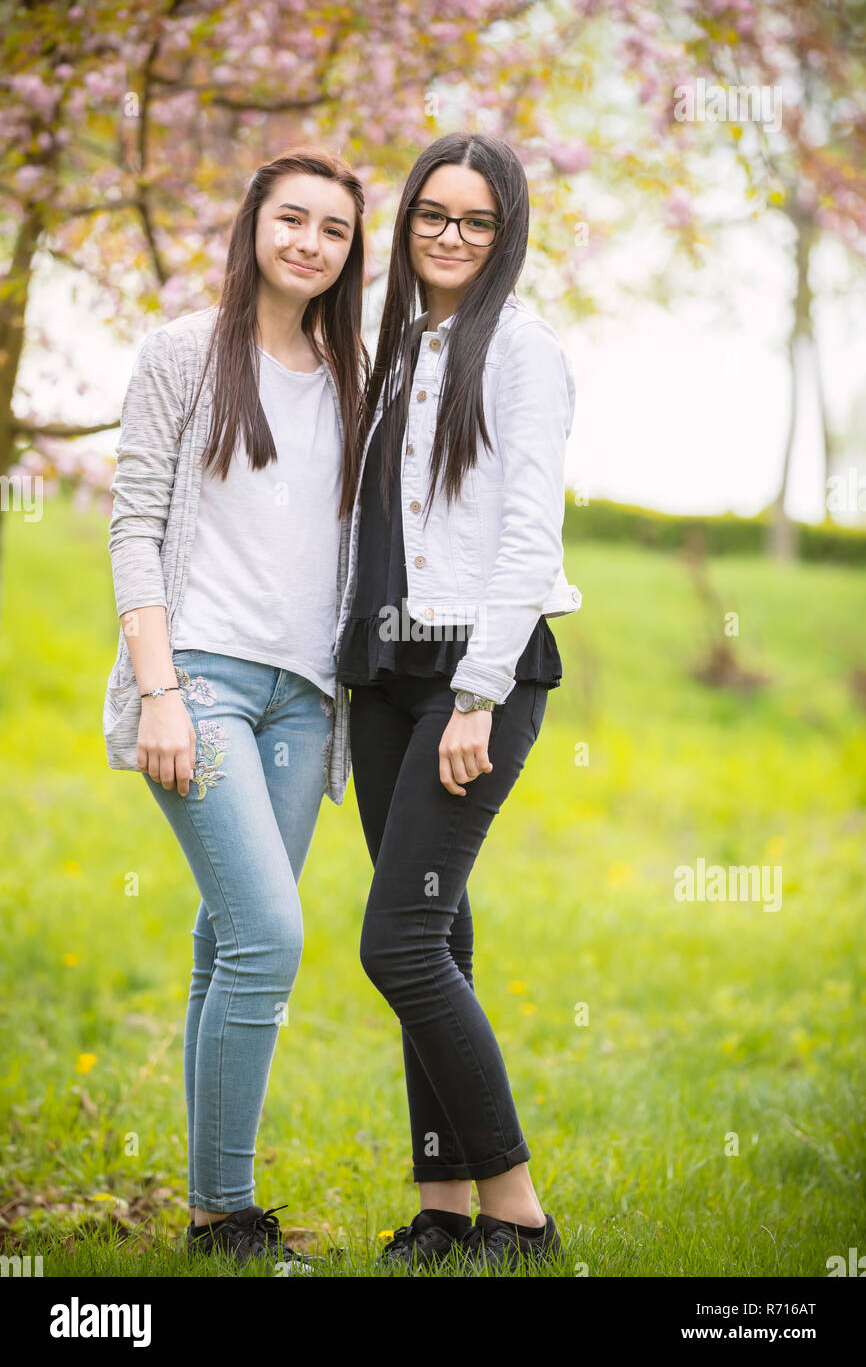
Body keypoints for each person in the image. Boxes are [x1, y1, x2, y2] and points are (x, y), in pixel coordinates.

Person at [102, 145, 369, 1266]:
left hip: (306, 702)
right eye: (292, 219)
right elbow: (132, 524)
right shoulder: (181, 355)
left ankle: (214, 1211)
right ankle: (226, 1211)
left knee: (227, 940)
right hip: (200, 680)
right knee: (269, 933)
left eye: (335, 230)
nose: (310, 242)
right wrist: (158, 691)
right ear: (252, 223)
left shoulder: (356, 372)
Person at [334, 132, 582, 1272]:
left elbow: (529, 533)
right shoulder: (393, 347)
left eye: (475, 220)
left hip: (474, 674)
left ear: (505, 232)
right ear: (407, 223)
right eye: (432, 214)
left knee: (397, 944)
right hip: (385, 676)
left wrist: (477, 693)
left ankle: (518, 1212)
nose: (449, 236)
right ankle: (441, 1203)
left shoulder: (523, 350)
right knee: (438, 935)